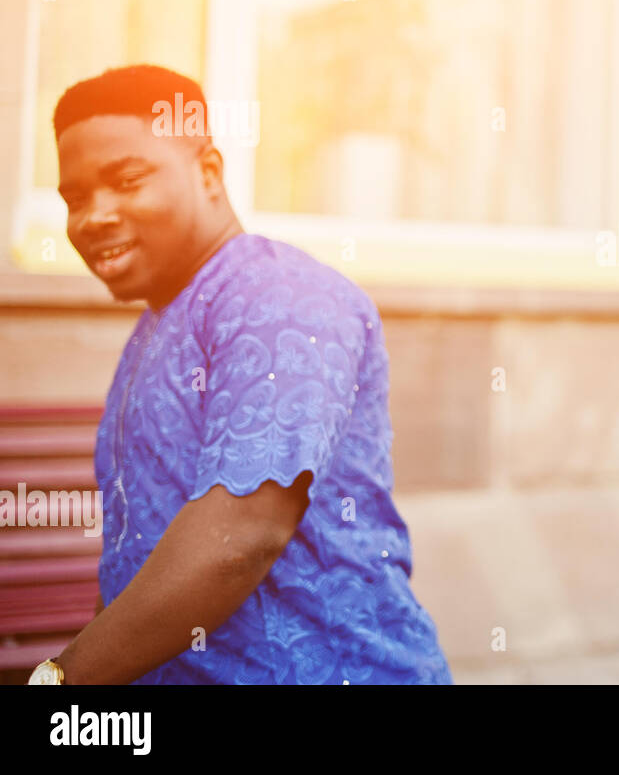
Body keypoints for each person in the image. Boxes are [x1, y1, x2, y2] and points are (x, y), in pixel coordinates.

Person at [27, 64, 452, 684]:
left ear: (209, 173)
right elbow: (137, 558)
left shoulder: (279, 297)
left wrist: (61, 682)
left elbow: (242, 534)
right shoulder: (160, 322)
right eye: (73, 199)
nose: (93, 217)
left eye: (126, 180)